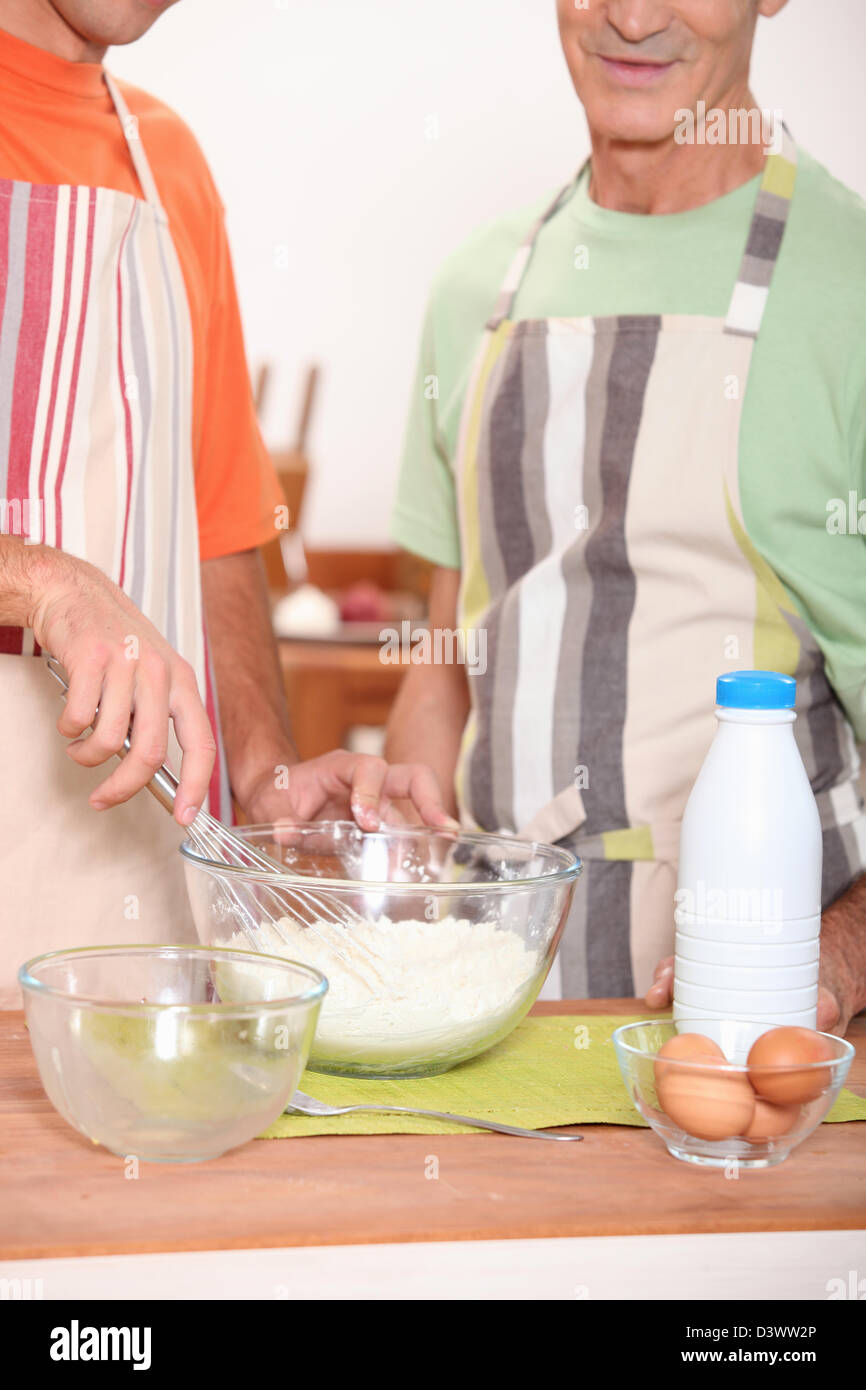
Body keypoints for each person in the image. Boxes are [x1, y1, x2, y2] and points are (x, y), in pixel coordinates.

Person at [386, 0, 866, 1033]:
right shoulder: (473, 294)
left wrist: (826, 955)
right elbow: (442, 668)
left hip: (760, 1036)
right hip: (492, 1025)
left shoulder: (849, 292)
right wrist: (395, 874)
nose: (633, 17)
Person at [0, 0, 451, 1005]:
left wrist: (263, 776)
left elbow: (219, 530)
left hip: (134, 904)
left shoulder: (171, 170)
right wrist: (41, 580)